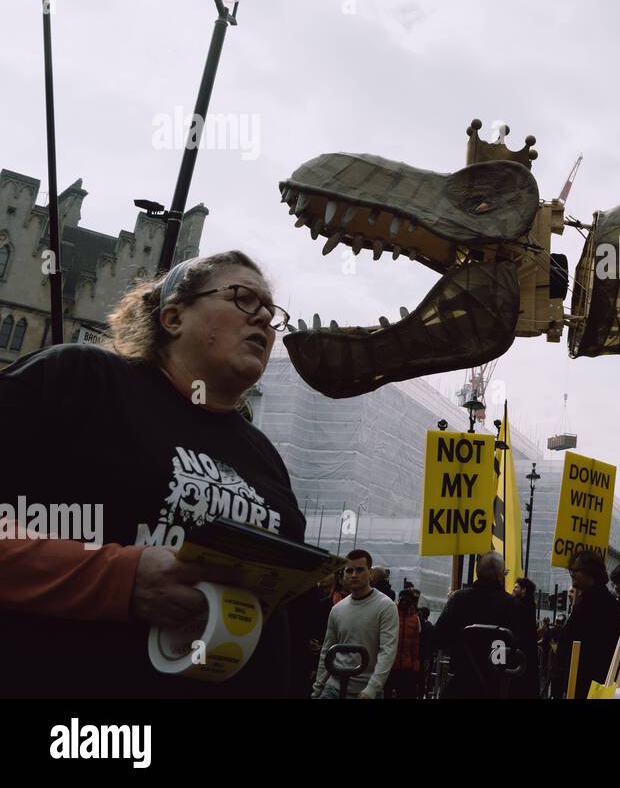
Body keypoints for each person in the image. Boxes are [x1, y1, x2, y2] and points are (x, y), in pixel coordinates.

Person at [0, 250, 306, 698]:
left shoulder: (264, 456)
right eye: (243, 298)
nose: (263, 317)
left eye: (270, 311)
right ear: (174, 316)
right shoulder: (81, 379)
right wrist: (121, 578)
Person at [429, 552, 535, 698]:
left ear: (477, 572)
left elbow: (438, 638)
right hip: (497, 685)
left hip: (461, 681)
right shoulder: (514, 606)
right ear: (500, 575)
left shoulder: (459, 599)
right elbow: (523, 650)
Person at [312, 549, 398, 699]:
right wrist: (317, 688)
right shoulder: (337, 609)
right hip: (334, 687)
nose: (354, 575)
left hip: (366, 689)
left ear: (370, 573)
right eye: (349, 570)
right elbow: (326, 651)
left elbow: (388, 651)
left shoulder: (386, 606)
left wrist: (371, 689)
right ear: (344, 575)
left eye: (359, 570)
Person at [551, 551, 620, 700]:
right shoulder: (587, 600)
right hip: (581, 682)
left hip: (588, 684)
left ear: (591, 572)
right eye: (571, 570)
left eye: (575, 570)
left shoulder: (601, 604)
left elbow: (592, 649)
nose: (571, 574)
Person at [386, 590, 423, 699]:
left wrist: (415, 664)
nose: (404, 601)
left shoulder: (415, 619)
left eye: (408, 599)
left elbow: (416, 644)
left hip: (406, 666)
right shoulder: (391, 614)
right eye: (403, 598)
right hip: (390, 665)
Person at [416, 605, 435, 699]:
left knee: (417, 677)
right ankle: (421, 695)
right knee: (422, 678)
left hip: (418, 655)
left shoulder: (419, 625)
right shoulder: (431, 627)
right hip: (426, 656)